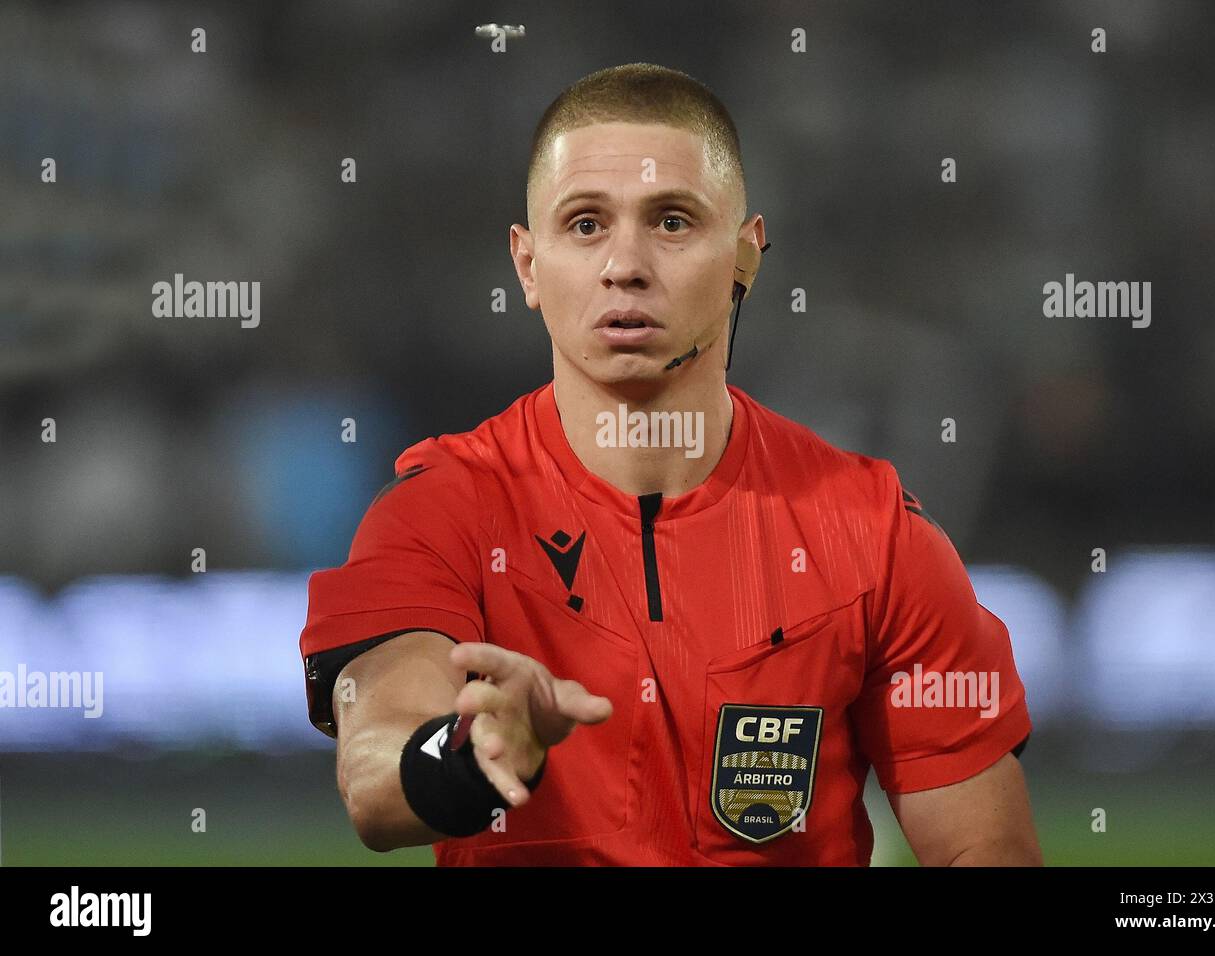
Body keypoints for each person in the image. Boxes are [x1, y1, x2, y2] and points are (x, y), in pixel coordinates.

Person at [298, 62, 1041, 866]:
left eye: (673, 222)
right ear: (526, 265)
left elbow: (985, 851)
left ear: (746, 257)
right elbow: (374, 778)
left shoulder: (874, 533)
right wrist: (470, 752)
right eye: (585, 224)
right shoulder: (436, 514)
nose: (626, 264)